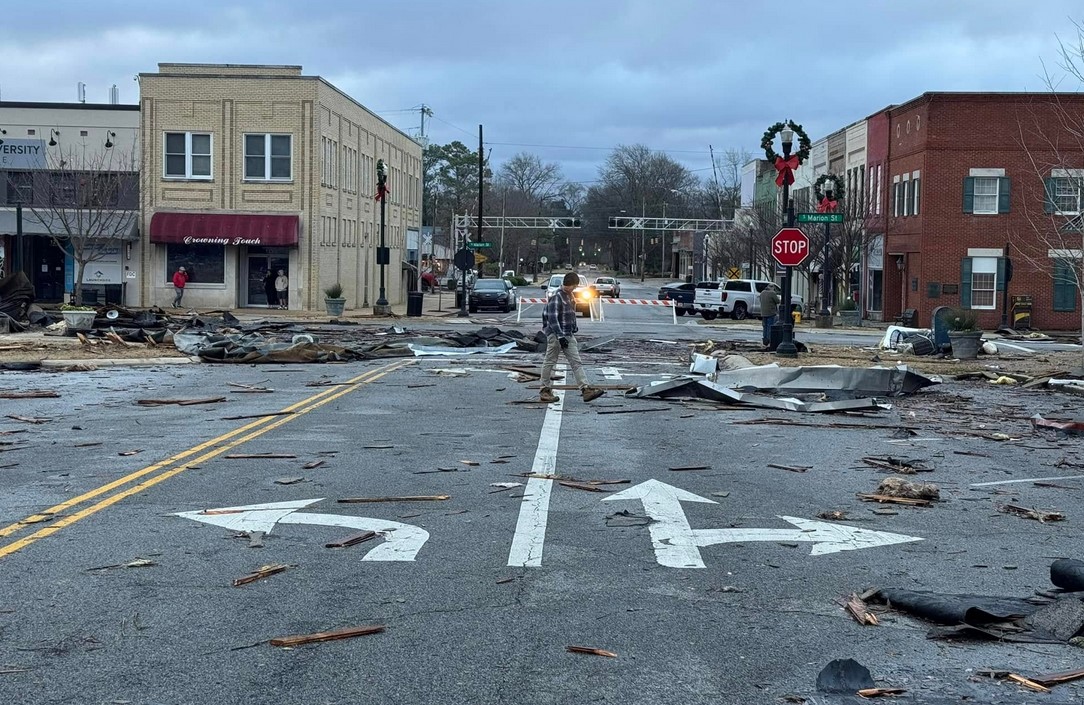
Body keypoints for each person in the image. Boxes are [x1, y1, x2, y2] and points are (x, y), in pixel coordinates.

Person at [539, 272, 604, 404]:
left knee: (576, 362)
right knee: (550, 361)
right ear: (568, 284)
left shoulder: (569, 296)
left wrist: (573, 328)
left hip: (568, 334)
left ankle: (586, 389)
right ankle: (544, 390)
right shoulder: (557, 297)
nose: (574, 288)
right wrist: (559, 335)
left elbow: (570, 314)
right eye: (573, 286)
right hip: (555, 335)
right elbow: (552, 319)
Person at [759, 283, 781, 347]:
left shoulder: (762, 293)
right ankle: (769, 339)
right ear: (772, 287)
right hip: (770, 312)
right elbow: (777, 301)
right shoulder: (772, 293)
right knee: (770, 326)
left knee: (764, 326)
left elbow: (760, 300)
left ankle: (764, 339)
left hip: (763, 313)